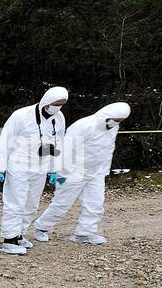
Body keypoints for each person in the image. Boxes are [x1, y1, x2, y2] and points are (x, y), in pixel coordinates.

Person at [32, 102, 131, 246]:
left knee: (95, 204)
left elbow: (108, 149)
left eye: (120, 121)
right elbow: (66, 149)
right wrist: (58, 170)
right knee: (61, 204)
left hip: (96, 173)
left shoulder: (113, 128)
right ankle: (41, 228)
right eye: (115, 119)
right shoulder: (84, 125)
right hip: (72, 172)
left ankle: (85, 233)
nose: (116, 123)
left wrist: (104, 170)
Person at [0, 86, 68, 255]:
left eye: (62, 104)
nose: (58, 106)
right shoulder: (21, 115)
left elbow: (58, 143)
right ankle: (8, 239)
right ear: (47, 100)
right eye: (56, 103)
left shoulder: (59, 118)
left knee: (31, 204)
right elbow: (5, 141)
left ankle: (19, 233)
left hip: (40, 168)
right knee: (15, 203)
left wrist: (54, 169)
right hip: (18, 166)